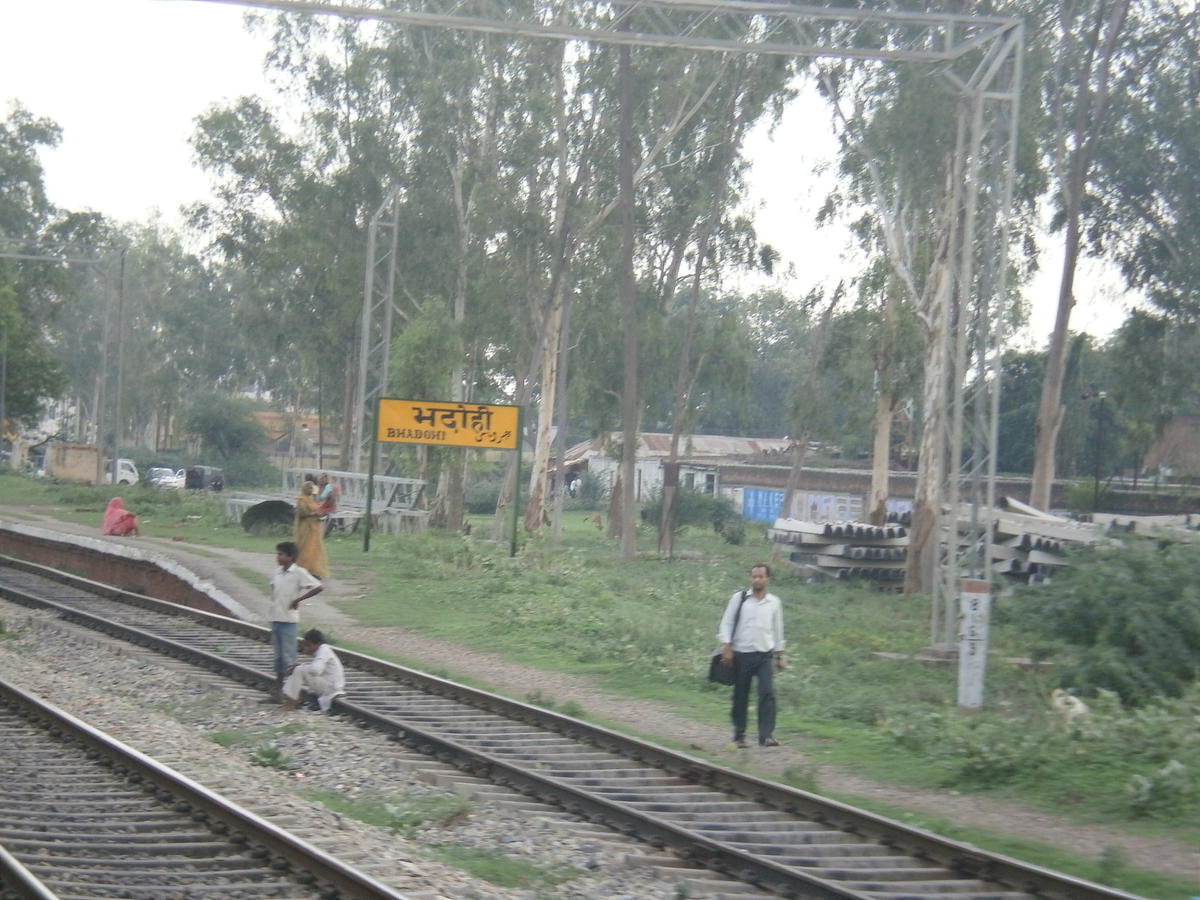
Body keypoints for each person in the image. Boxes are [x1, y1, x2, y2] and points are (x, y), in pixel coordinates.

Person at [716, 563, 787, 749]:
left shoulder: (774, 603)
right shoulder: (739, 599)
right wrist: (727, 646)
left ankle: (766, 735)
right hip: (742, 655)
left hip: (765, 655)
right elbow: (727, 623)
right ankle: (739, 735)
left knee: (767, 693)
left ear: (768, 579)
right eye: (754, 576)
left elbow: (778, 630)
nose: (757, 580)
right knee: (741, 695)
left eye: (761, 576)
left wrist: (780, 655)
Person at [269, 541, 324, 698]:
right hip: (275, 617)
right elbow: (274, 589)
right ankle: (278, 692)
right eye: (278, 554)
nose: (277, 557)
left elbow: (318, 587)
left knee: (289, 658)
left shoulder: (299, 573)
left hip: (288, 620)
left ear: (290, 557)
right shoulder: (277, 572)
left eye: (281, 554)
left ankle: (293, 695)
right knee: (279, 658)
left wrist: (298, 600)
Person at [282, 628, 346, 711]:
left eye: (308, 645)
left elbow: (315, 670)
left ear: (318, 644)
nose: (306, 648)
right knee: (299, 669)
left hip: (331, 688)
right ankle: (292, 699)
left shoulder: (324, 650)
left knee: (299, 670)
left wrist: (302, 666)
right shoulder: (323, 649)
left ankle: (290, 704)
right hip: (330, 685)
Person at [294, 481, 330, 578]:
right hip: (306, 528)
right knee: (306, 548)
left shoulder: (311, 499)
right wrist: (313, 514)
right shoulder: (301, 500)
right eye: (309, 488)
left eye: (311, 488)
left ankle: (313, 569)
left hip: (315, 527)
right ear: (305, 489)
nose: (311, 490)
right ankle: (303, 569)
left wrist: (319, 515)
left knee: (315, 548)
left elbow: (316, 509)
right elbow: (301, 514)